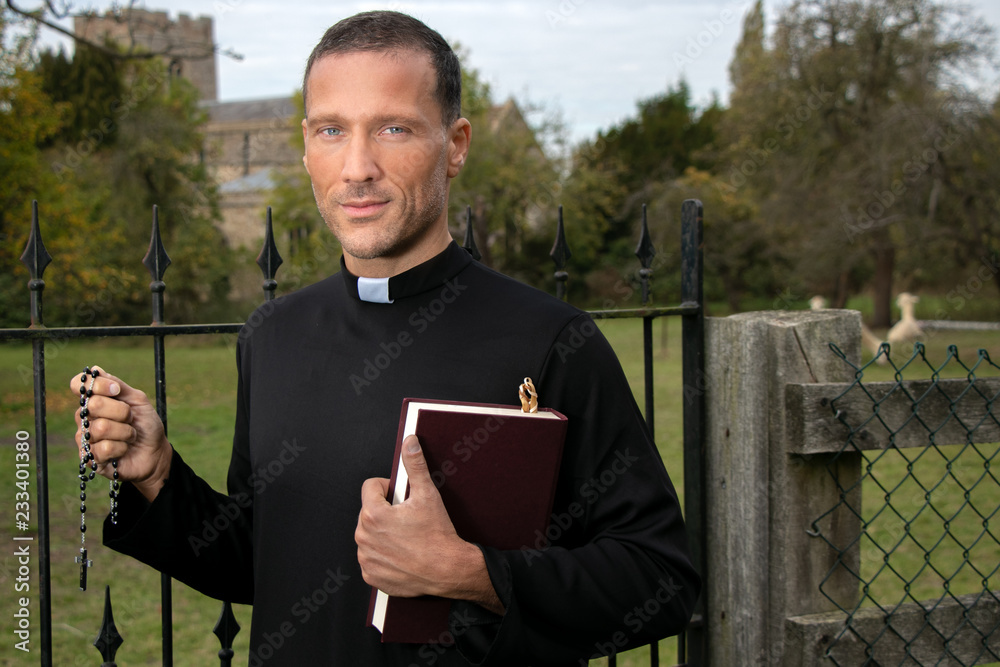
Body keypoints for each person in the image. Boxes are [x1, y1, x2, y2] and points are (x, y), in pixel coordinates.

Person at [70, 10, 700, 665]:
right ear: (306, 146)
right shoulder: (270, 336)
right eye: (332, 130)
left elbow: (660, 579)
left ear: (455, 145)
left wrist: (469, 573)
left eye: (393, 128)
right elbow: (266, 561)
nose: (357, 166)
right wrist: (159, 474)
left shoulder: (550, 340)